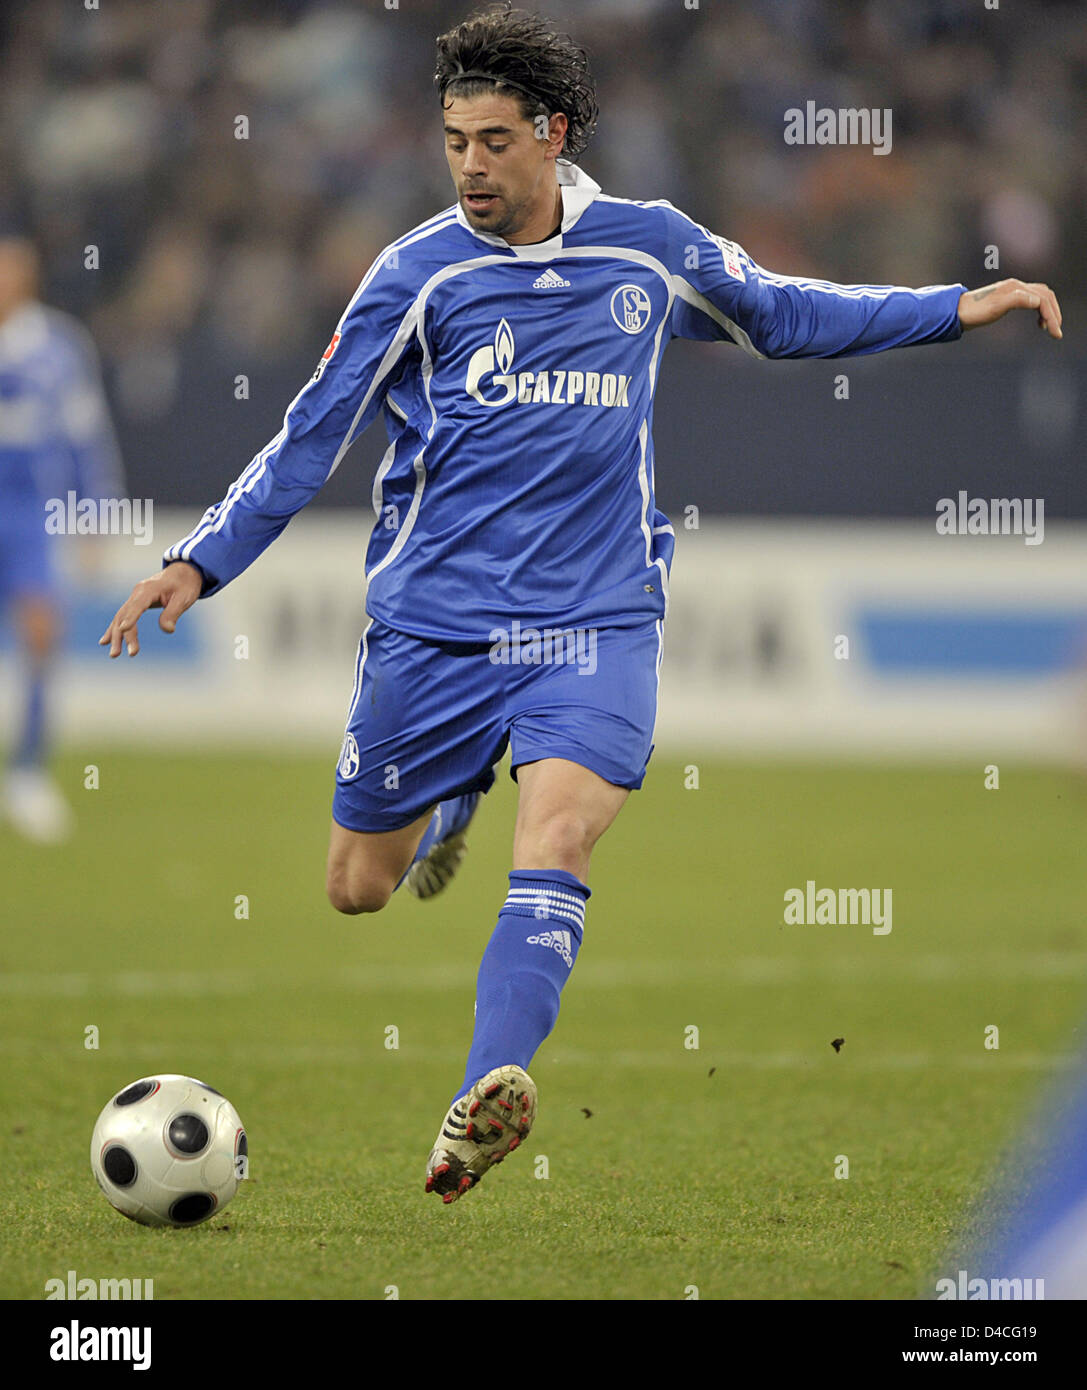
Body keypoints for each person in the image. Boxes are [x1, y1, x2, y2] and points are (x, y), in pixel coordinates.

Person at [99, 2, 1062, 1204]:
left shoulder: (646, 246)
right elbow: (309, 438)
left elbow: (781, 313)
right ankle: (449, 795)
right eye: (453, 141)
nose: (469, 166)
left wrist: (950, 307)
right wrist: (198, 562)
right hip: (435, 625)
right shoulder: (417, 275)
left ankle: (481, 1097)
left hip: (596, 619)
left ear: (551, 135)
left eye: (494, 142)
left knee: (557, 841)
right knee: (356, 885)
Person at [0, 235, 124, 842]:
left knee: (41, 635)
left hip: (27, 515)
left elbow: (85, 432)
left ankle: (27, 773)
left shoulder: (57, 347)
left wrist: (97, 514)